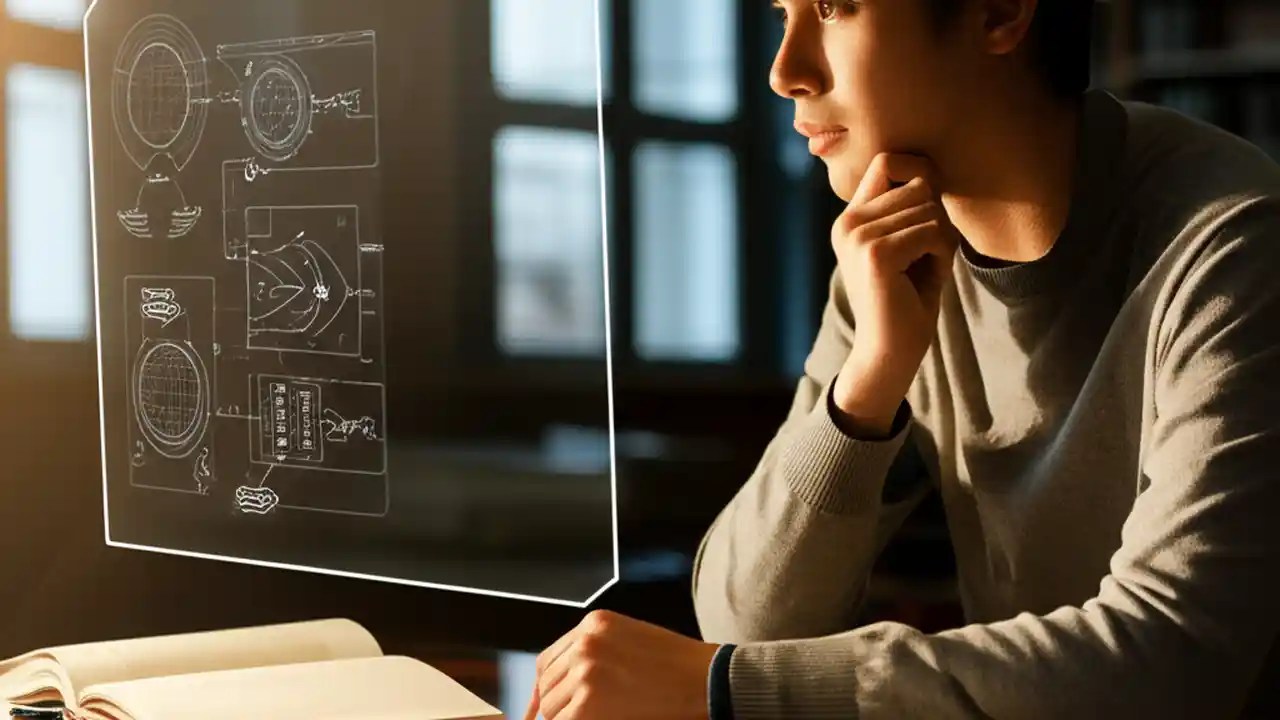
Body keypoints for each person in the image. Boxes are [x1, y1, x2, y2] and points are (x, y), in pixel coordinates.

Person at [524, 0, 1280, 717]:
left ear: (998, 11)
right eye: (783, 14)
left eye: (833, 8)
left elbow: (1174, 664)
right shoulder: (895, 256)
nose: (784, 72)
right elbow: (743, 618)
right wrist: (869, 380)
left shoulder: (1235, 246)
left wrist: (731, 688)